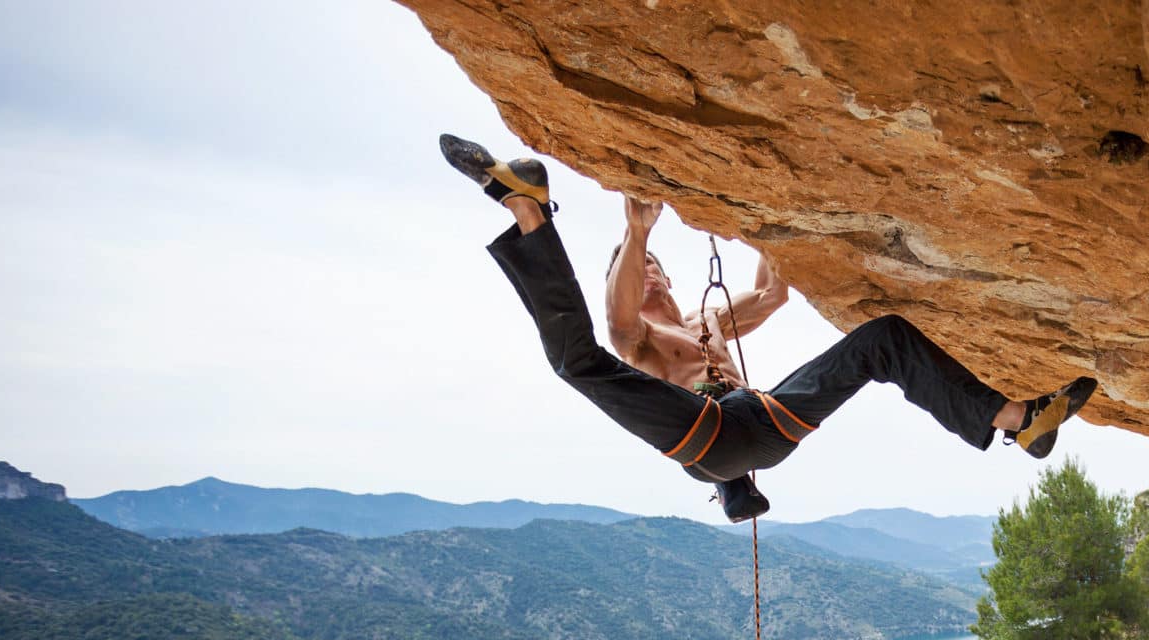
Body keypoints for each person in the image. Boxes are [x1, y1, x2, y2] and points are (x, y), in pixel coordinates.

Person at [440, 134, 1098, 522]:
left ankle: (1017, 420)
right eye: (638, 273)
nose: (650, 279)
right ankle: (530, 211)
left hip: (762, 430)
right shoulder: (638, 340)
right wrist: (635, 234)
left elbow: (774, 291)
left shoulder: (708, 322)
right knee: (576, 363)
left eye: (654, 271)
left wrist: (764, 214)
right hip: (708, 442)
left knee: (885, 339)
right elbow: (613, 320)